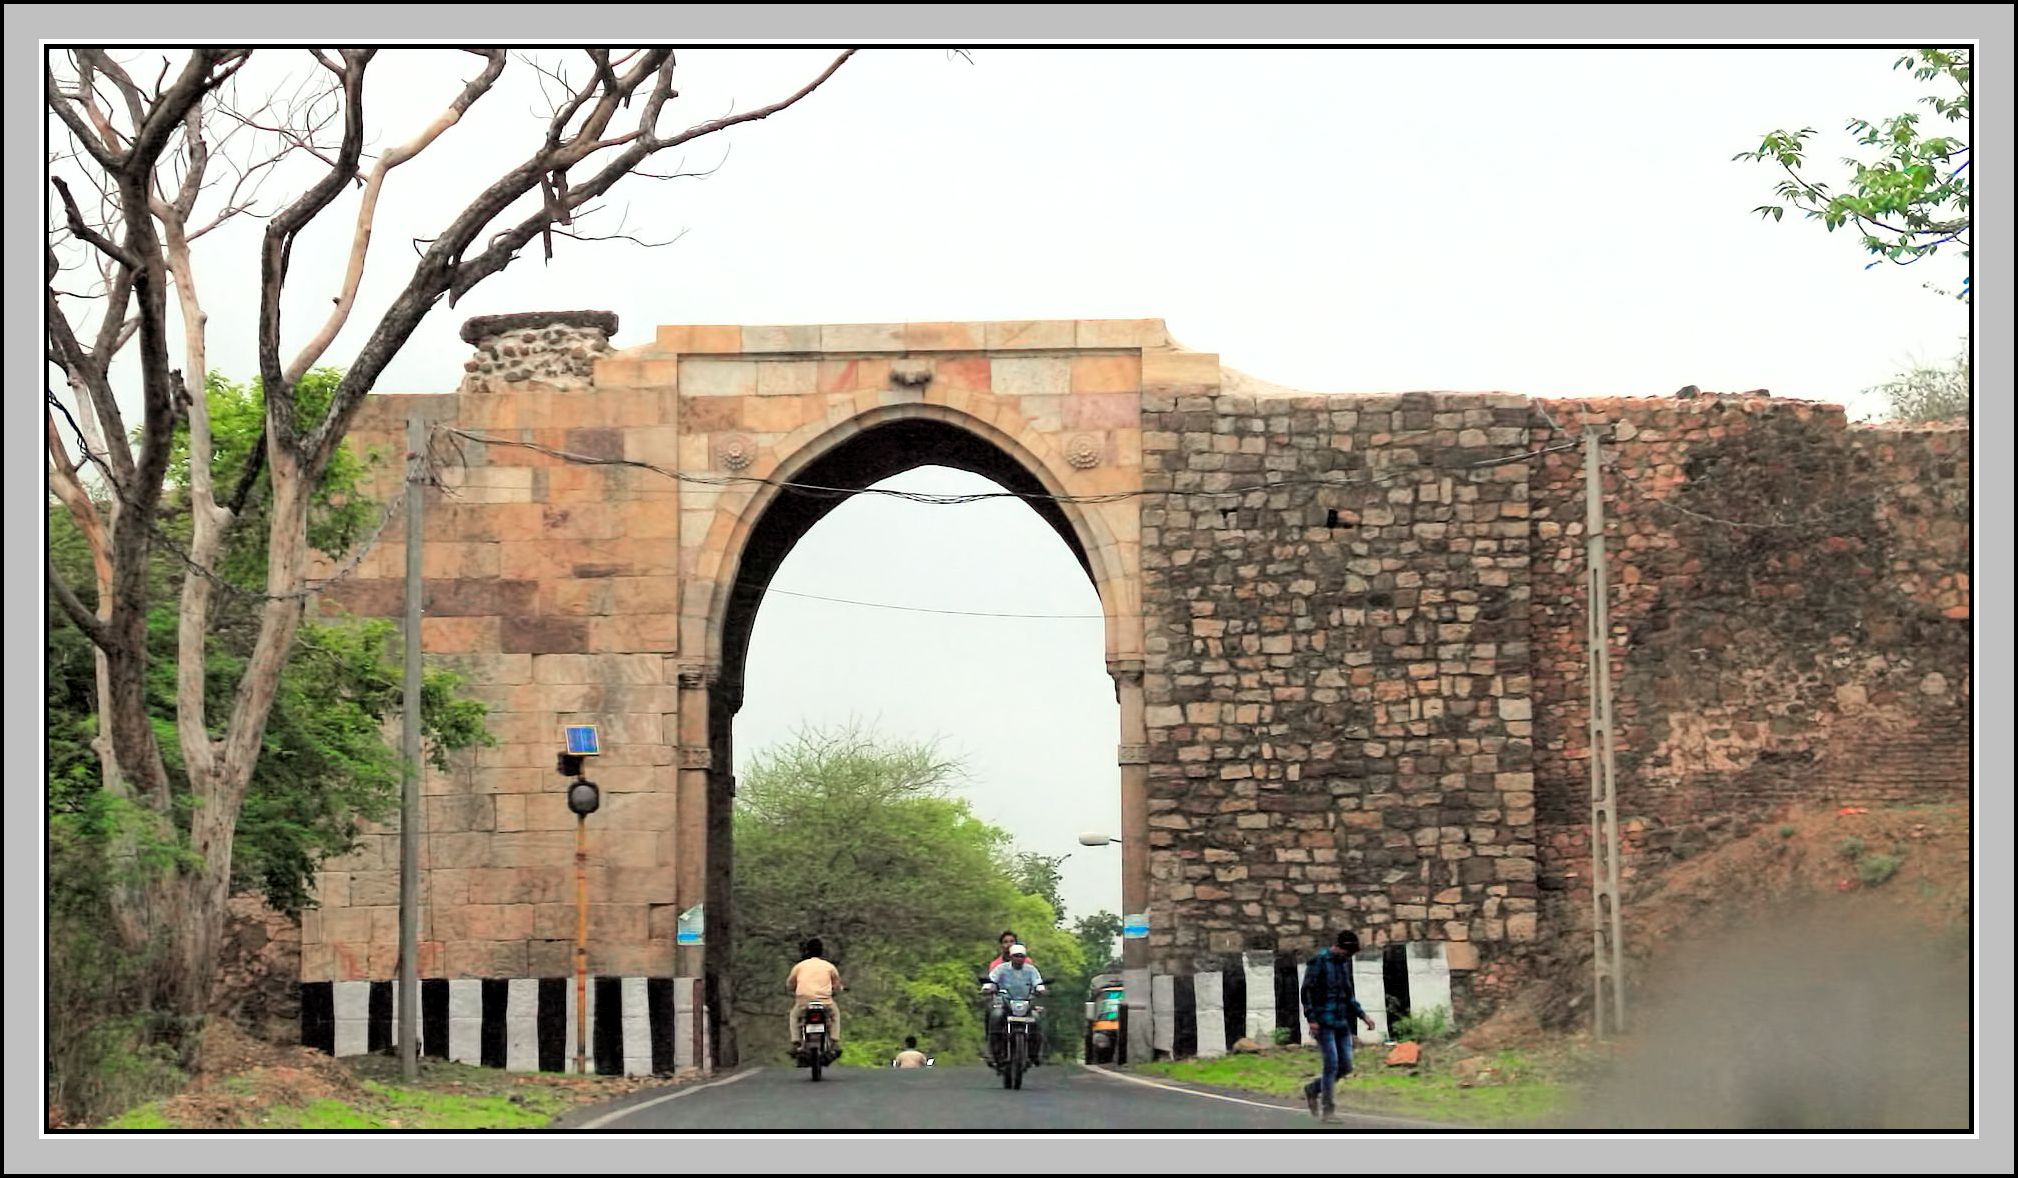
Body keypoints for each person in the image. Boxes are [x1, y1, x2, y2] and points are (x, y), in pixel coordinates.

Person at [1299, 929, 1377, 1122]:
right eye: (1347, 953)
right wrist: (1311, 1019)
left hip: (1341, 1022)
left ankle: (1313, 1089)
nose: (1348, 957)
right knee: (1331, 1065)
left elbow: (1348, 995)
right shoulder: (1319, 961)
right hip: (1323, 1023)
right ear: (1340, 947)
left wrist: (1363, 1016)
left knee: (1346, 1066)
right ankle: (1328, 1111)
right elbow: (1306, 991)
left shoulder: (1343, 964)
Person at [985, 943, 1048, 1067]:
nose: (1019, 959)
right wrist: (988, 988)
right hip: (1005, 1002)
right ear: (1010, 957)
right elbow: (992, 980)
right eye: (1016, 956)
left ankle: (1034, 1053)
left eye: (1021, 956)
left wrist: (1041, 990)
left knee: (1037, 1019)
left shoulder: (1031, 970)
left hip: (1026, 1003)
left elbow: (1038, 982)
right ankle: (995, 1052)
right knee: (996, 1016)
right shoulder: (1001, 969)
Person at [786, 936, 844, 1056]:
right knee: (835, 1015)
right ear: (821, 951)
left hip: (804, 1002)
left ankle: (796, 1042)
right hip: (825, 1002)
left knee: (794, 1016)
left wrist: (793, 989)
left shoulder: (799, 966)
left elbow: (790, 984)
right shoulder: (829, 966)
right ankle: (834, 1042)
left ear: (807, 951)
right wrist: (838, 989)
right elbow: (837, 985)